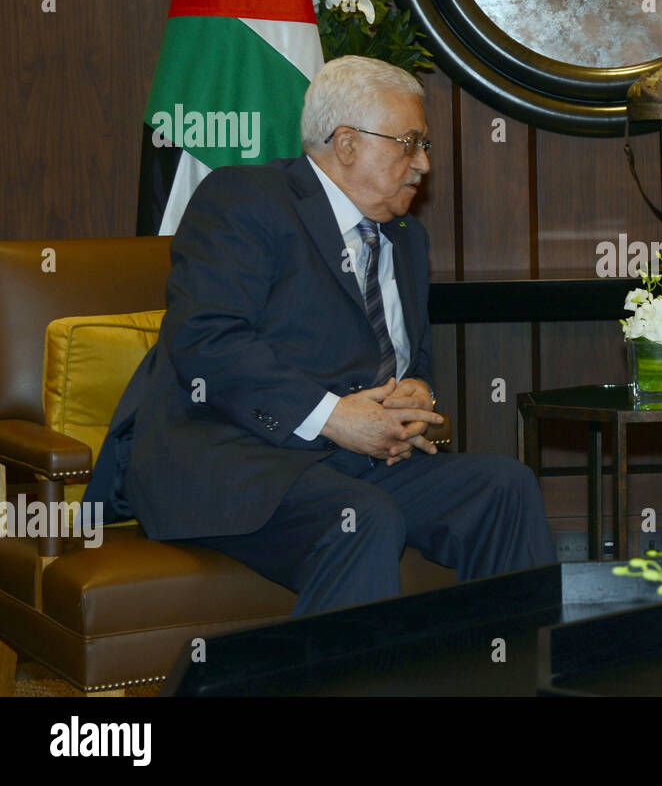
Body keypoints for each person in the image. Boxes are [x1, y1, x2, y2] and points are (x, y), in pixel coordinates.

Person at [85, 55, 556, 615]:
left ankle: (506, 671)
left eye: (424, 145)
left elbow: (414, 356)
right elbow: (206, 344)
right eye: (410, 142)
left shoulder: (406, 238)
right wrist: (334, 417)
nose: (423, 164)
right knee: (360, 519)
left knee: (504, 487)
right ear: (348, 143)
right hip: (233, 459)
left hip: (351, 464)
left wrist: (417, 391)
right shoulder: (244, 200)